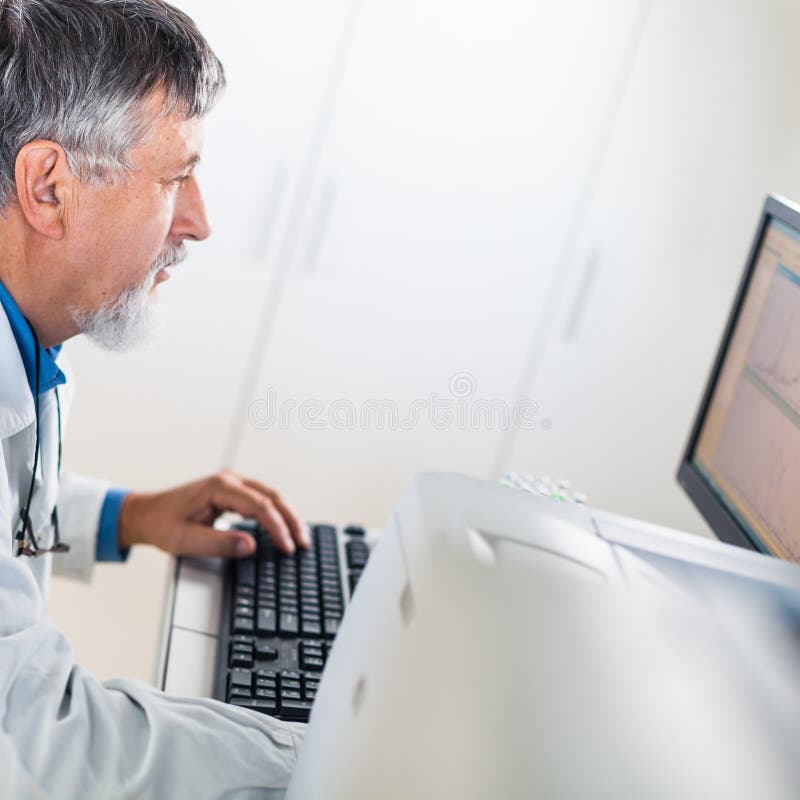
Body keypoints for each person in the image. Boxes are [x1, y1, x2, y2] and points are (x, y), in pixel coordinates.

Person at [0, 1, 311, 796]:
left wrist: (128, 516)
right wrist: (329, 762)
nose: (199, 223)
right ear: (49, 188)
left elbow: (11, 507)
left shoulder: (26, 340)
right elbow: (35, 740)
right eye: (175, 178)